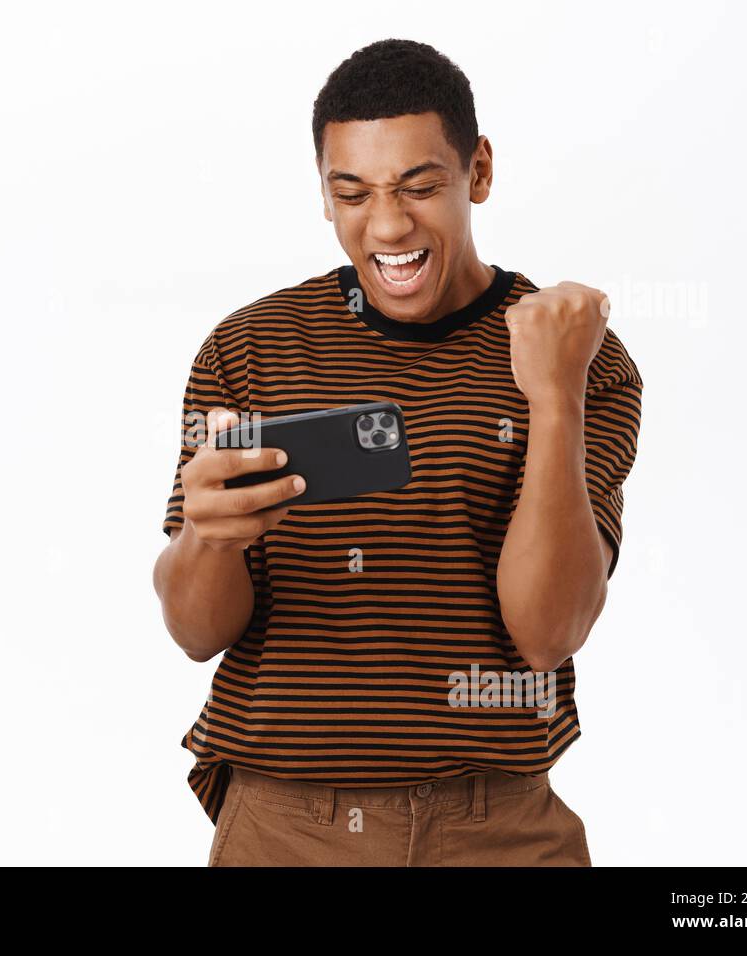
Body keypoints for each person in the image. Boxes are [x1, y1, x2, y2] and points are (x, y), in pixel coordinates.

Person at [152, 38, 642, 866]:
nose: (387, 225)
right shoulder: (249, 348)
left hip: (504, 829)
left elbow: (550, 631)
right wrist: (208, 535)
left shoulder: (574, 350)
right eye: (353, 193)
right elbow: (196, 633)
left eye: (420, 186)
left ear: (477, 172)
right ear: (324, 194)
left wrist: (553, 395)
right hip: (285, 830)